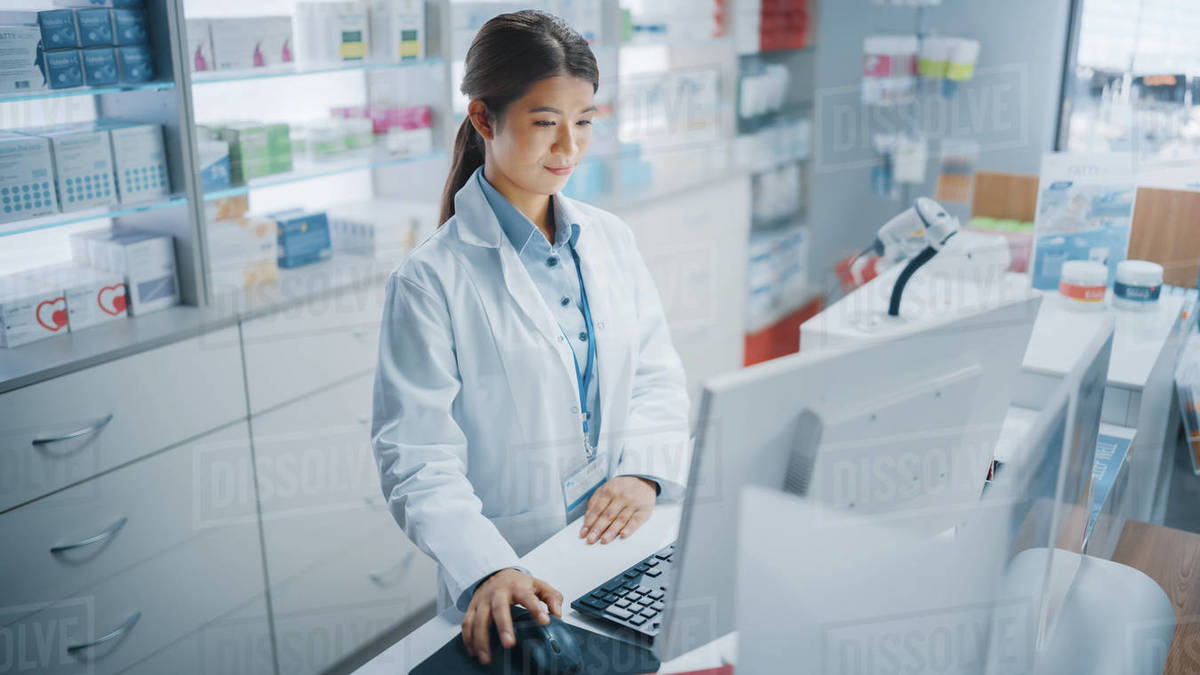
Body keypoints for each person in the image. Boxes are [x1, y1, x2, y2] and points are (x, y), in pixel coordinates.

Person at [370, 10, 691, 667]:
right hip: (518, 568)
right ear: (485, 120)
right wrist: (486, 567)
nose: (569, 147)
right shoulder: (430, 280)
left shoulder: (609, 239)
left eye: (584, 121)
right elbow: (417, 456)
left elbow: (657, 374)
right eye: (545, 123)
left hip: (617, 542)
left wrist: (644, 472)